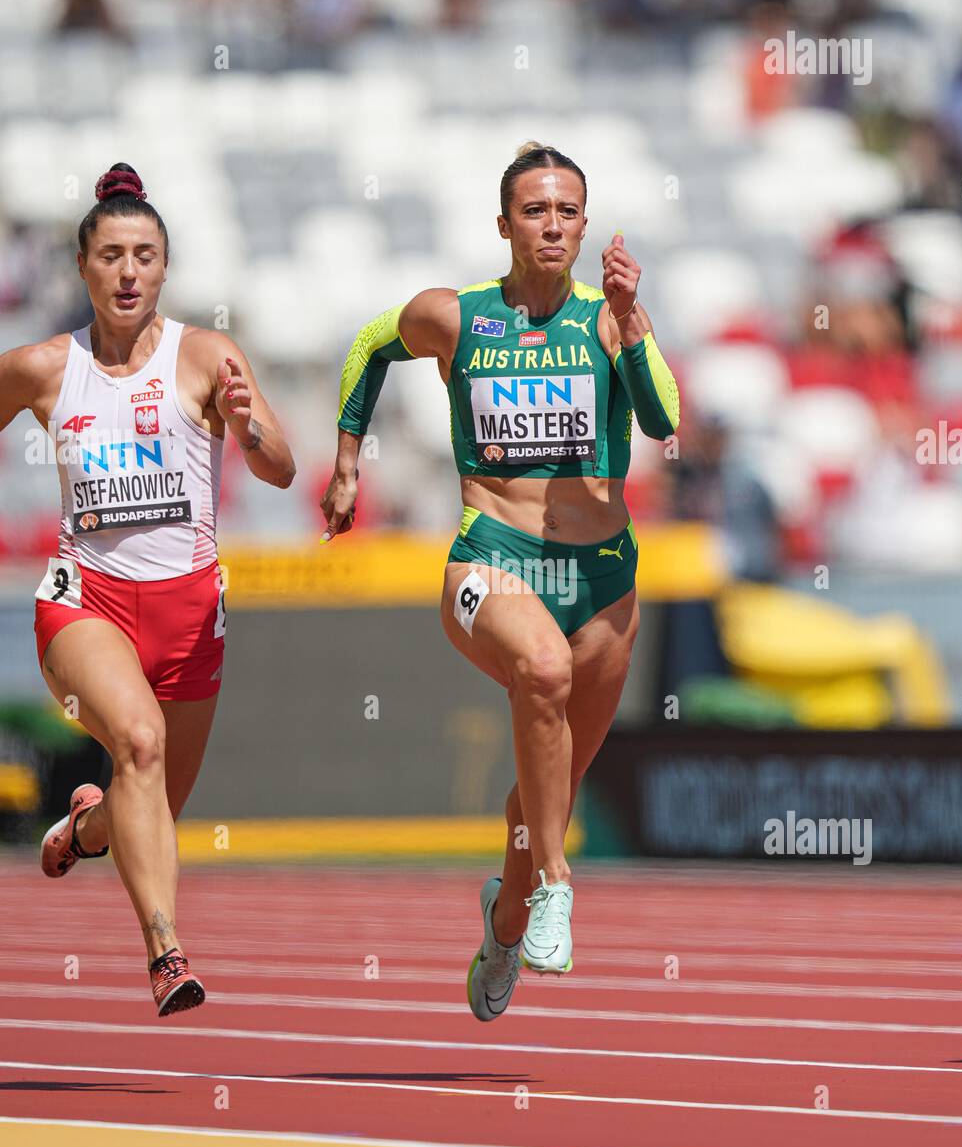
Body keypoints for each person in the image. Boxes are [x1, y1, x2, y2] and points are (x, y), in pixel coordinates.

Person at [321, 142, 679, 1021]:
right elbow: (372, 343)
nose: (551, 225)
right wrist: (344, 464)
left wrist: (631, 324)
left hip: (601, 579)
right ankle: (557, 883)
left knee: (539, 791)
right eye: (533, 210)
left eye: (566, 211)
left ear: (584, 224)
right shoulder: (460, 316)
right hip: (493, 557)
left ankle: (507, 918)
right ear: (504, 223)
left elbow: (665, 420)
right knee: (542, 674)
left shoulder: (610, 316)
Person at [0, 163, 296, 1016]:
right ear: (84, 268)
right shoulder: (44, 369)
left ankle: (81, 827)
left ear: (165, 269)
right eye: (112, 256)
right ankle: (165, 952)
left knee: (146, 801)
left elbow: (278, 471)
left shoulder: (205, 356)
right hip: (84, 604)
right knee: (135, 740)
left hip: (190, 616)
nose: (128, 272)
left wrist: (247, 422)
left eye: (146, 256)